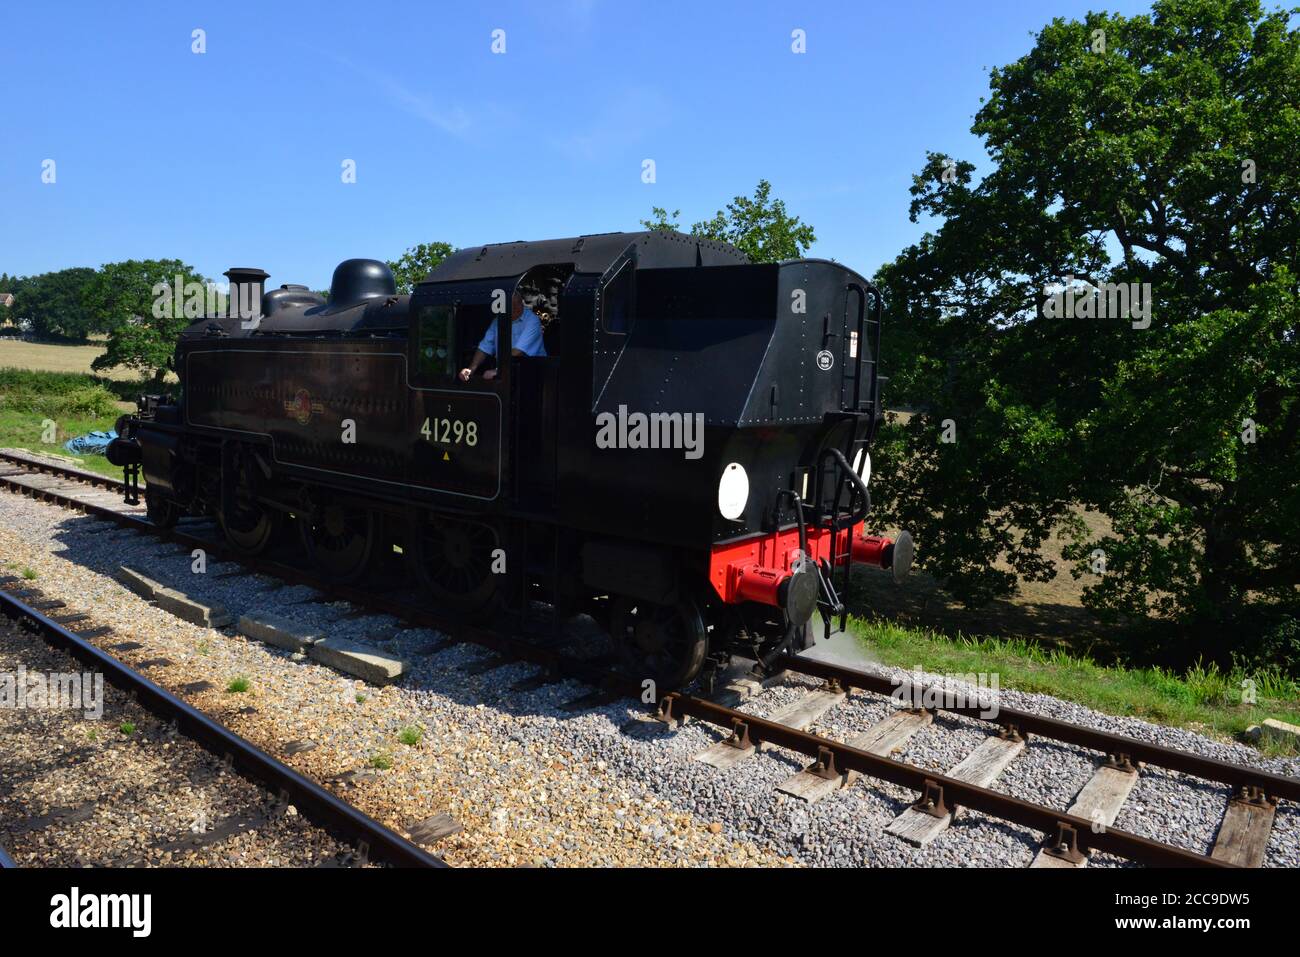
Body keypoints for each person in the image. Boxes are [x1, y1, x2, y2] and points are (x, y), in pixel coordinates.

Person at [459, 290, 547, 381]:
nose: (516, 308)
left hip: (533, 373)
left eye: (518, 304)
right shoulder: (498, 320)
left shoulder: (532, 320)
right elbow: (485, 346)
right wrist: (470, 369)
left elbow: (518, 351)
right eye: (511, 306)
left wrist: (498, 370)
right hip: (509, 372)